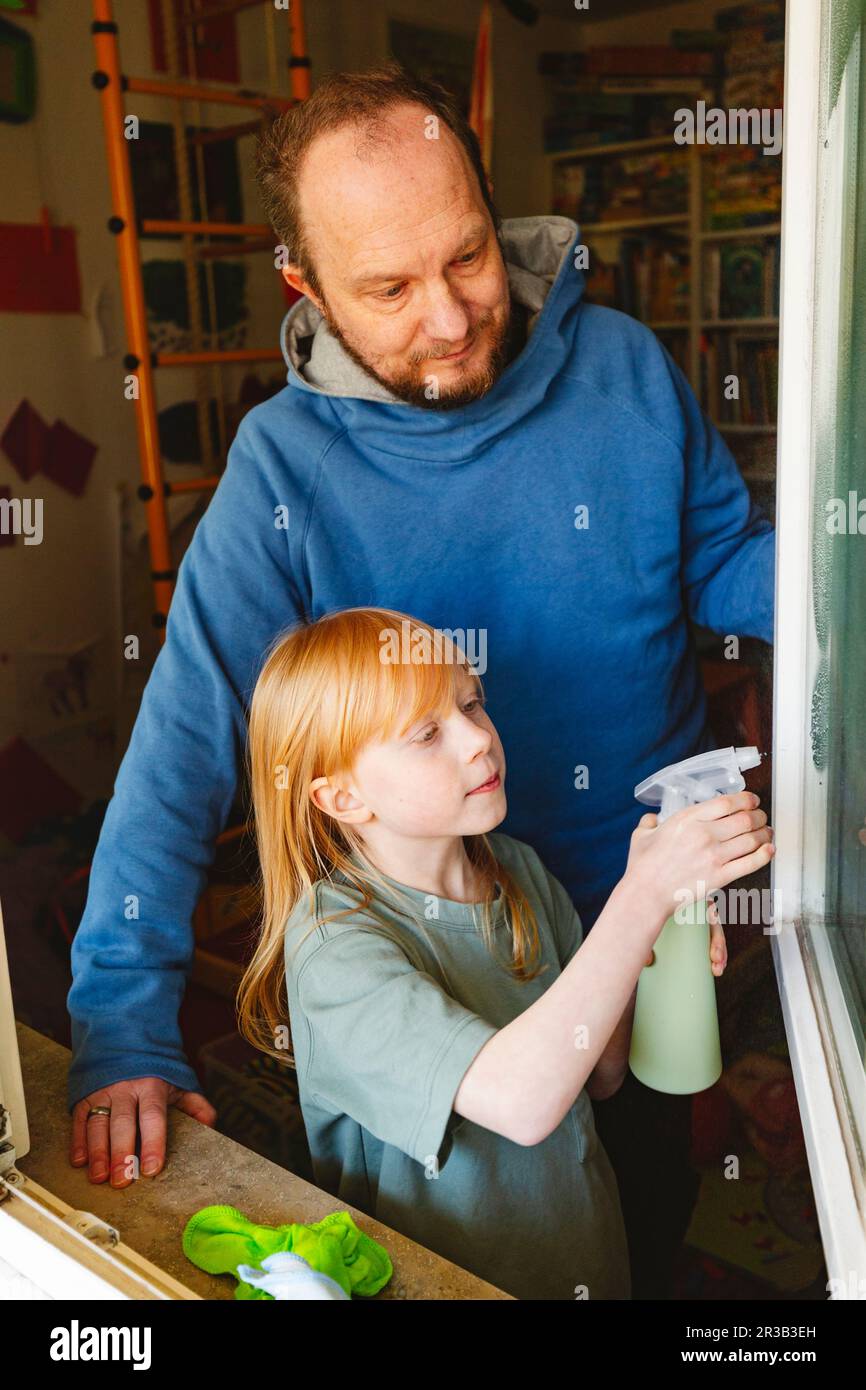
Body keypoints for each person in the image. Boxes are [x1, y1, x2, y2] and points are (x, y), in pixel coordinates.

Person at [67, 64, 775, 1298]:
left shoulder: (621, 366)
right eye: (387, 289)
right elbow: (181, 746)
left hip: (644, 946)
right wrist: (121, 1027)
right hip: (434, 978)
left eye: (465, 259)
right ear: (308, 287)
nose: (447, 320)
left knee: (630, 1225)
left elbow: (724, 555)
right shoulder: (283, 465)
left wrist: (832, 579)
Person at [237, 605, 773, 1300]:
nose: (477, 740)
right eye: (428, 733)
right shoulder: (334, 951)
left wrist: (652, 927)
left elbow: (603, 1073)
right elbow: (523, 1102)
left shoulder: (517, 871)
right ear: (341, 796)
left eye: (472, 704)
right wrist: (638, 900)